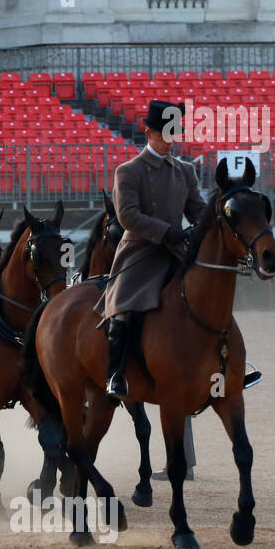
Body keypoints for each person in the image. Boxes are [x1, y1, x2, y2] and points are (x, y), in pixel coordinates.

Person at [96, 99, 207, 399]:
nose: (170, 139)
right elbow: (128, 215)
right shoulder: (129, 171)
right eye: (165, 133)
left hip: (176, 251)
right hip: (140, 253)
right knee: (124, 308)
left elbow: (197, 209)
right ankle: (116, 374)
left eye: (174, 132)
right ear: (149, 133)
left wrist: (208, 224)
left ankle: (223, 361)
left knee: (209, 293)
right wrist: (166, 231)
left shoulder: (185, 171)